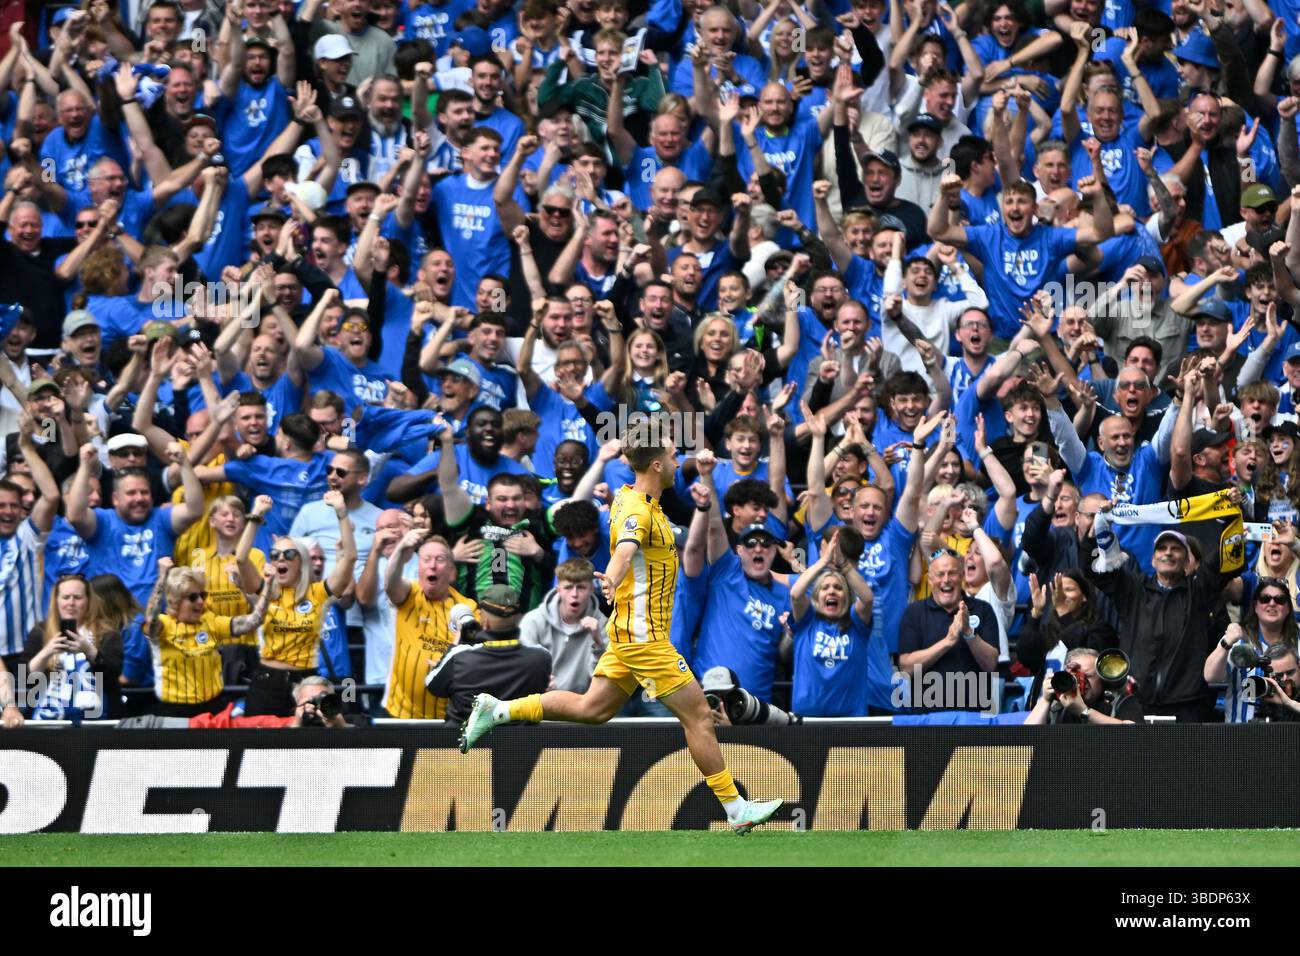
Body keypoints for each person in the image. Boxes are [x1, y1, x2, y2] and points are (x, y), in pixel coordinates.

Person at [459, 426, 784, 834]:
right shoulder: (637, 510)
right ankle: (736, 808)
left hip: (629, 632)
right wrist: (609, 579)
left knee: (591, 710)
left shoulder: (638, 500)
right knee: (700, 714)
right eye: (671, 452)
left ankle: (498, 709)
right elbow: (625, 550)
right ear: (656, 464)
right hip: (643, 638)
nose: (676, 458)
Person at [1086, 527, 1240, 721]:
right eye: (1162, 548)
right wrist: (1094, 533)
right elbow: (1092, 570)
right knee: (1135, 753)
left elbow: (1227, 559)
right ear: (1153, 559)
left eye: (1176, 548)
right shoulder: (1132, 589)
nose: (1168, 552)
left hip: (1187, 706)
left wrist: (1233, 518)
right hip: (1135, 703)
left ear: (1187, 561)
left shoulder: (1199, 592)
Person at [236, 490, 356, 716]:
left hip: (307, 683)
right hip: (267, 681)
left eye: (289, 554)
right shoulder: (266, 591)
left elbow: (349, 558)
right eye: (275, 554)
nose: (280, 559)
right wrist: (255, 517)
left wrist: (341, 513)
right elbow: (241, 558)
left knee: (308, 748)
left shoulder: (318, 593)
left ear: (302, 562)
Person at [142, 559, 271, 717]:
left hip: (214, 709)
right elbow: (150, 618)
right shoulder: (163, 626)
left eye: (202, 595)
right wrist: (162, 578)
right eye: (193, 597)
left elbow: (255, 621)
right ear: (174, 602)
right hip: (175, 712)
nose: (201, 601)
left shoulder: (210, 622)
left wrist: (247, 587)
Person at [382, 530, 478, 719]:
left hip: (445, 719)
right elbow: (390, 585)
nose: (432, 565)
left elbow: (473, 658)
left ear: (452, 573)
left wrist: (446, 666)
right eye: (426, 559)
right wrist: (401, 549)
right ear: (418, 569)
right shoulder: (408, 593)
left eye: (440, 560)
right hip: (400, 714)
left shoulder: (468, 607)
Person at [426, 584, 552, 723]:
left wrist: (456, 644)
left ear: (484, 621)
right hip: (517, 743)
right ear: (517, 619)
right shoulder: (541, 657)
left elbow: (434, 687)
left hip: (467, 743)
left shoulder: (459, 657)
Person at [897, 550, 1000, 713]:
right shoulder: (914, 613)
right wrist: (947, 642)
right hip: (928, 718)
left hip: (974, 718)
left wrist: (969, 633)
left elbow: (991, 665)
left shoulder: (983, 609)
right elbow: (906, 667)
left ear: (962, 577)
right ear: (930, 580)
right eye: (940, 574)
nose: (946, 580)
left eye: (952, 573)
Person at [788, 529, 876, 717]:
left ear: (846, 597)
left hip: (850, 723)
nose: (831, 592)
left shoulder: (856, 624)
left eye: (838, 588)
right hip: (807, 722)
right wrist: (824, 561)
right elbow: (795, 594)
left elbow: (867, 599)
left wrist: (843, 565)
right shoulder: (806, 621)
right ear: (816, 597)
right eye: (825, 588)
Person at [23, 573, 124, 722]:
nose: (71, 603)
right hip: (47, 719)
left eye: (77, 598)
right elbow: (25, 678)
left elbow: (112, 675)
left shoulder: (107, 633)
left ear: (89, 601)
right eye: (65, 597)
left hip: (97, 720)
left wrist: (89, 650)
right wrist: (47, 652)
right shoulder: (40, 632)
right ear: (56, 601)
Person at [518, 558, 607, 693]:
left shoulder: (602, 624)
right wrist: (538, 680)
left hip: (584, 704)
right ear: (558, 590)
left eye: (581, 587)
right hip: (542, 701)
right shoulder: (533, 621)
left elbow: (603, 684)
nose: (574, 594)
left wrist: (598, 644)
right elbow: (521, 668)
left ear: (591, 589)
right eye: (568, 587)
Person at [1023, 647, 1142, 724]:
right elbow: (1027, 739)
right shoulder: (1060, 702)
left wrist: (1084, 711)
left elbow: (1134, 735)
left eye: (1088, 676)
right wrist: (1045, 700)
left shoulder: (1121, 700)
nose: (1082, 681)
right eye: (1074, 676)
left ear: (1102, 678)